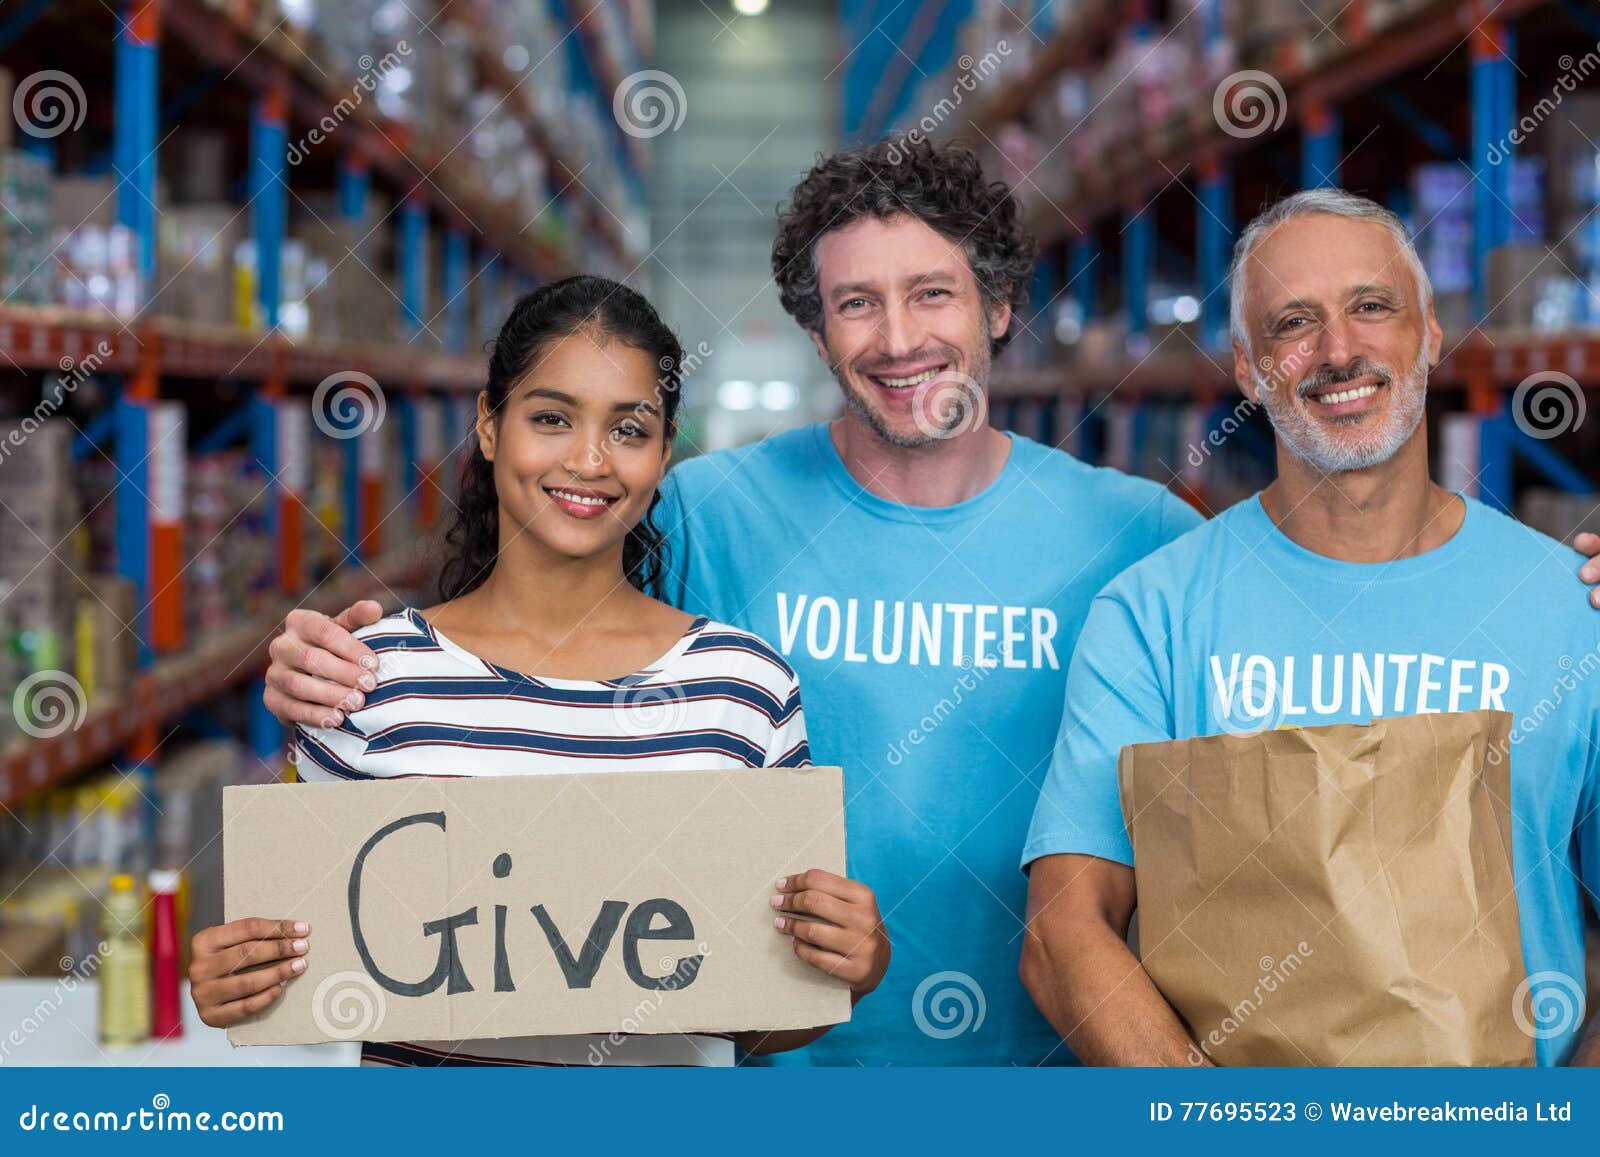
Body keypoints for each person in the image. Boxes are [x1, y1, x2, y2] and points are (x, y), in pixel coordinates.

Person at [255, 143, 1600, 1066]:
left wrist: (1561, 586)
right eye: (856, 304)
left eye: (933, 294)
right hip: (763, 1068)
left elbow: (1321, 602)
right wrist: (355, 652)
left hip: (1059, 1083)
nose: (899, 339)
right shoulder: (706, 510)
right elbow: (533, 601)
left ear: (1001, 307)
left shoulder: (1137, 536)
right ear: (813, 328)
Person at [188, 276, 889, 1066]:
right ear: (490, 427)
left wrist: (843, 973)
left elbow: (755, 1020)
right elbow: (322, 986)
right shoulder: (371, 679)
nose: (588, 460)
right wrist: (242, 982)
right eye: (551, 418)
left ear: (665, 452)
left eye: (629, 428)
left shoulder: (742, 689)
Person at [1020, 189, 1600, 1067]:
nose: (1338, 351)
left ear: (1430, 334)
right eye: (1295, 322)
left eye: (1373, 307)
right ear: (1250, 369)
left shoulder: (1571, 604)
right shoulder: (1155, 613)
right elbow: (1065, 930)